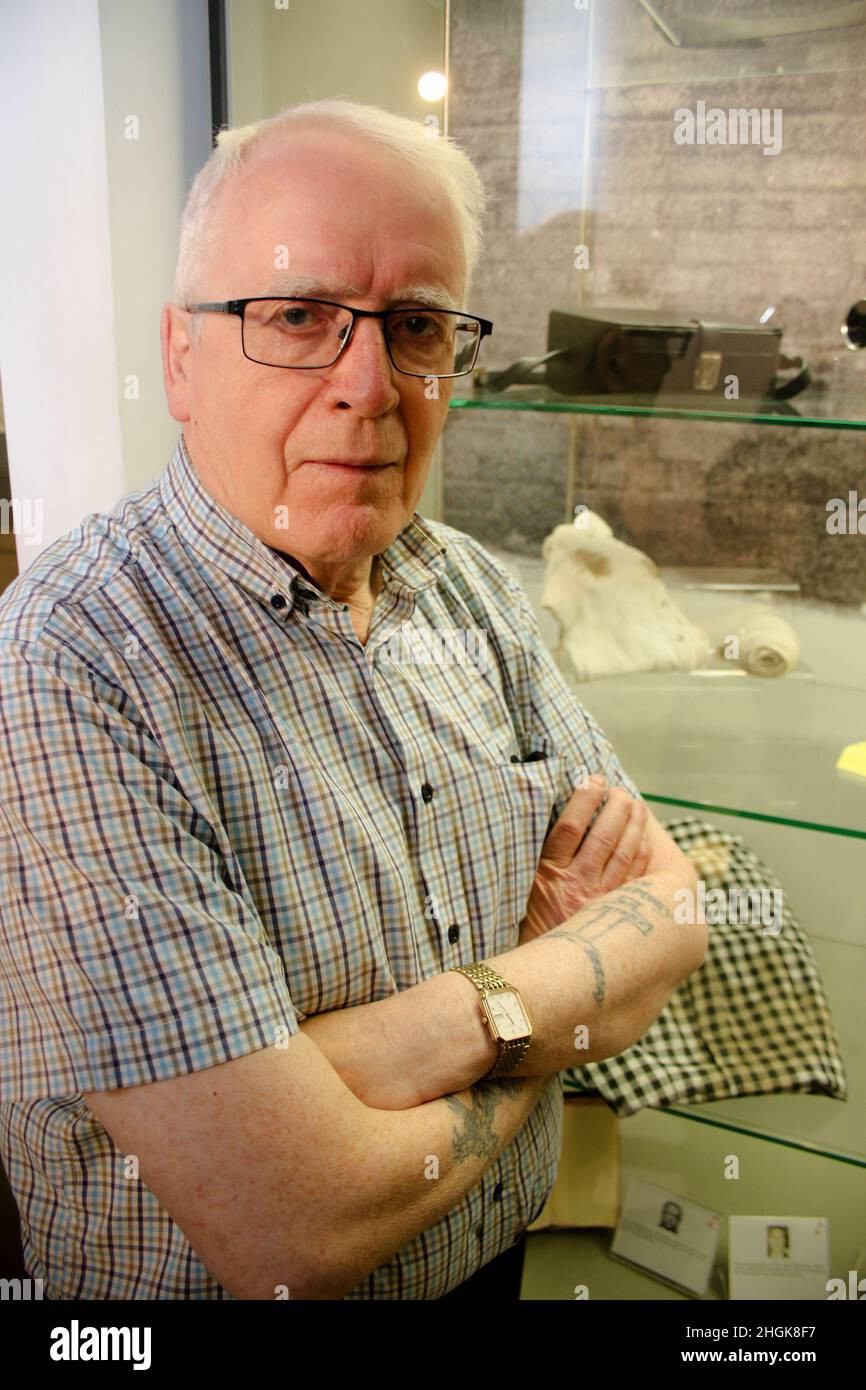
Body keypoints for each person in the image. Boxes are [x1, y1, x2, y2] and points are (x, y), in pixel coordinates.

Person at [0, 99, 705, 1301]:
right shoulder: (68, 665)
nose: (369, 386)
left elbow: (672, 909)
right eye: (296, 317)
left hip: (494, 1261)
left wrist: (360, 1066)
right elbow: (293, 1225)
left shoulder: (467, 585)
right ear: (179, 355)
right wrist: (543, 988)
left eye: (417, 325)